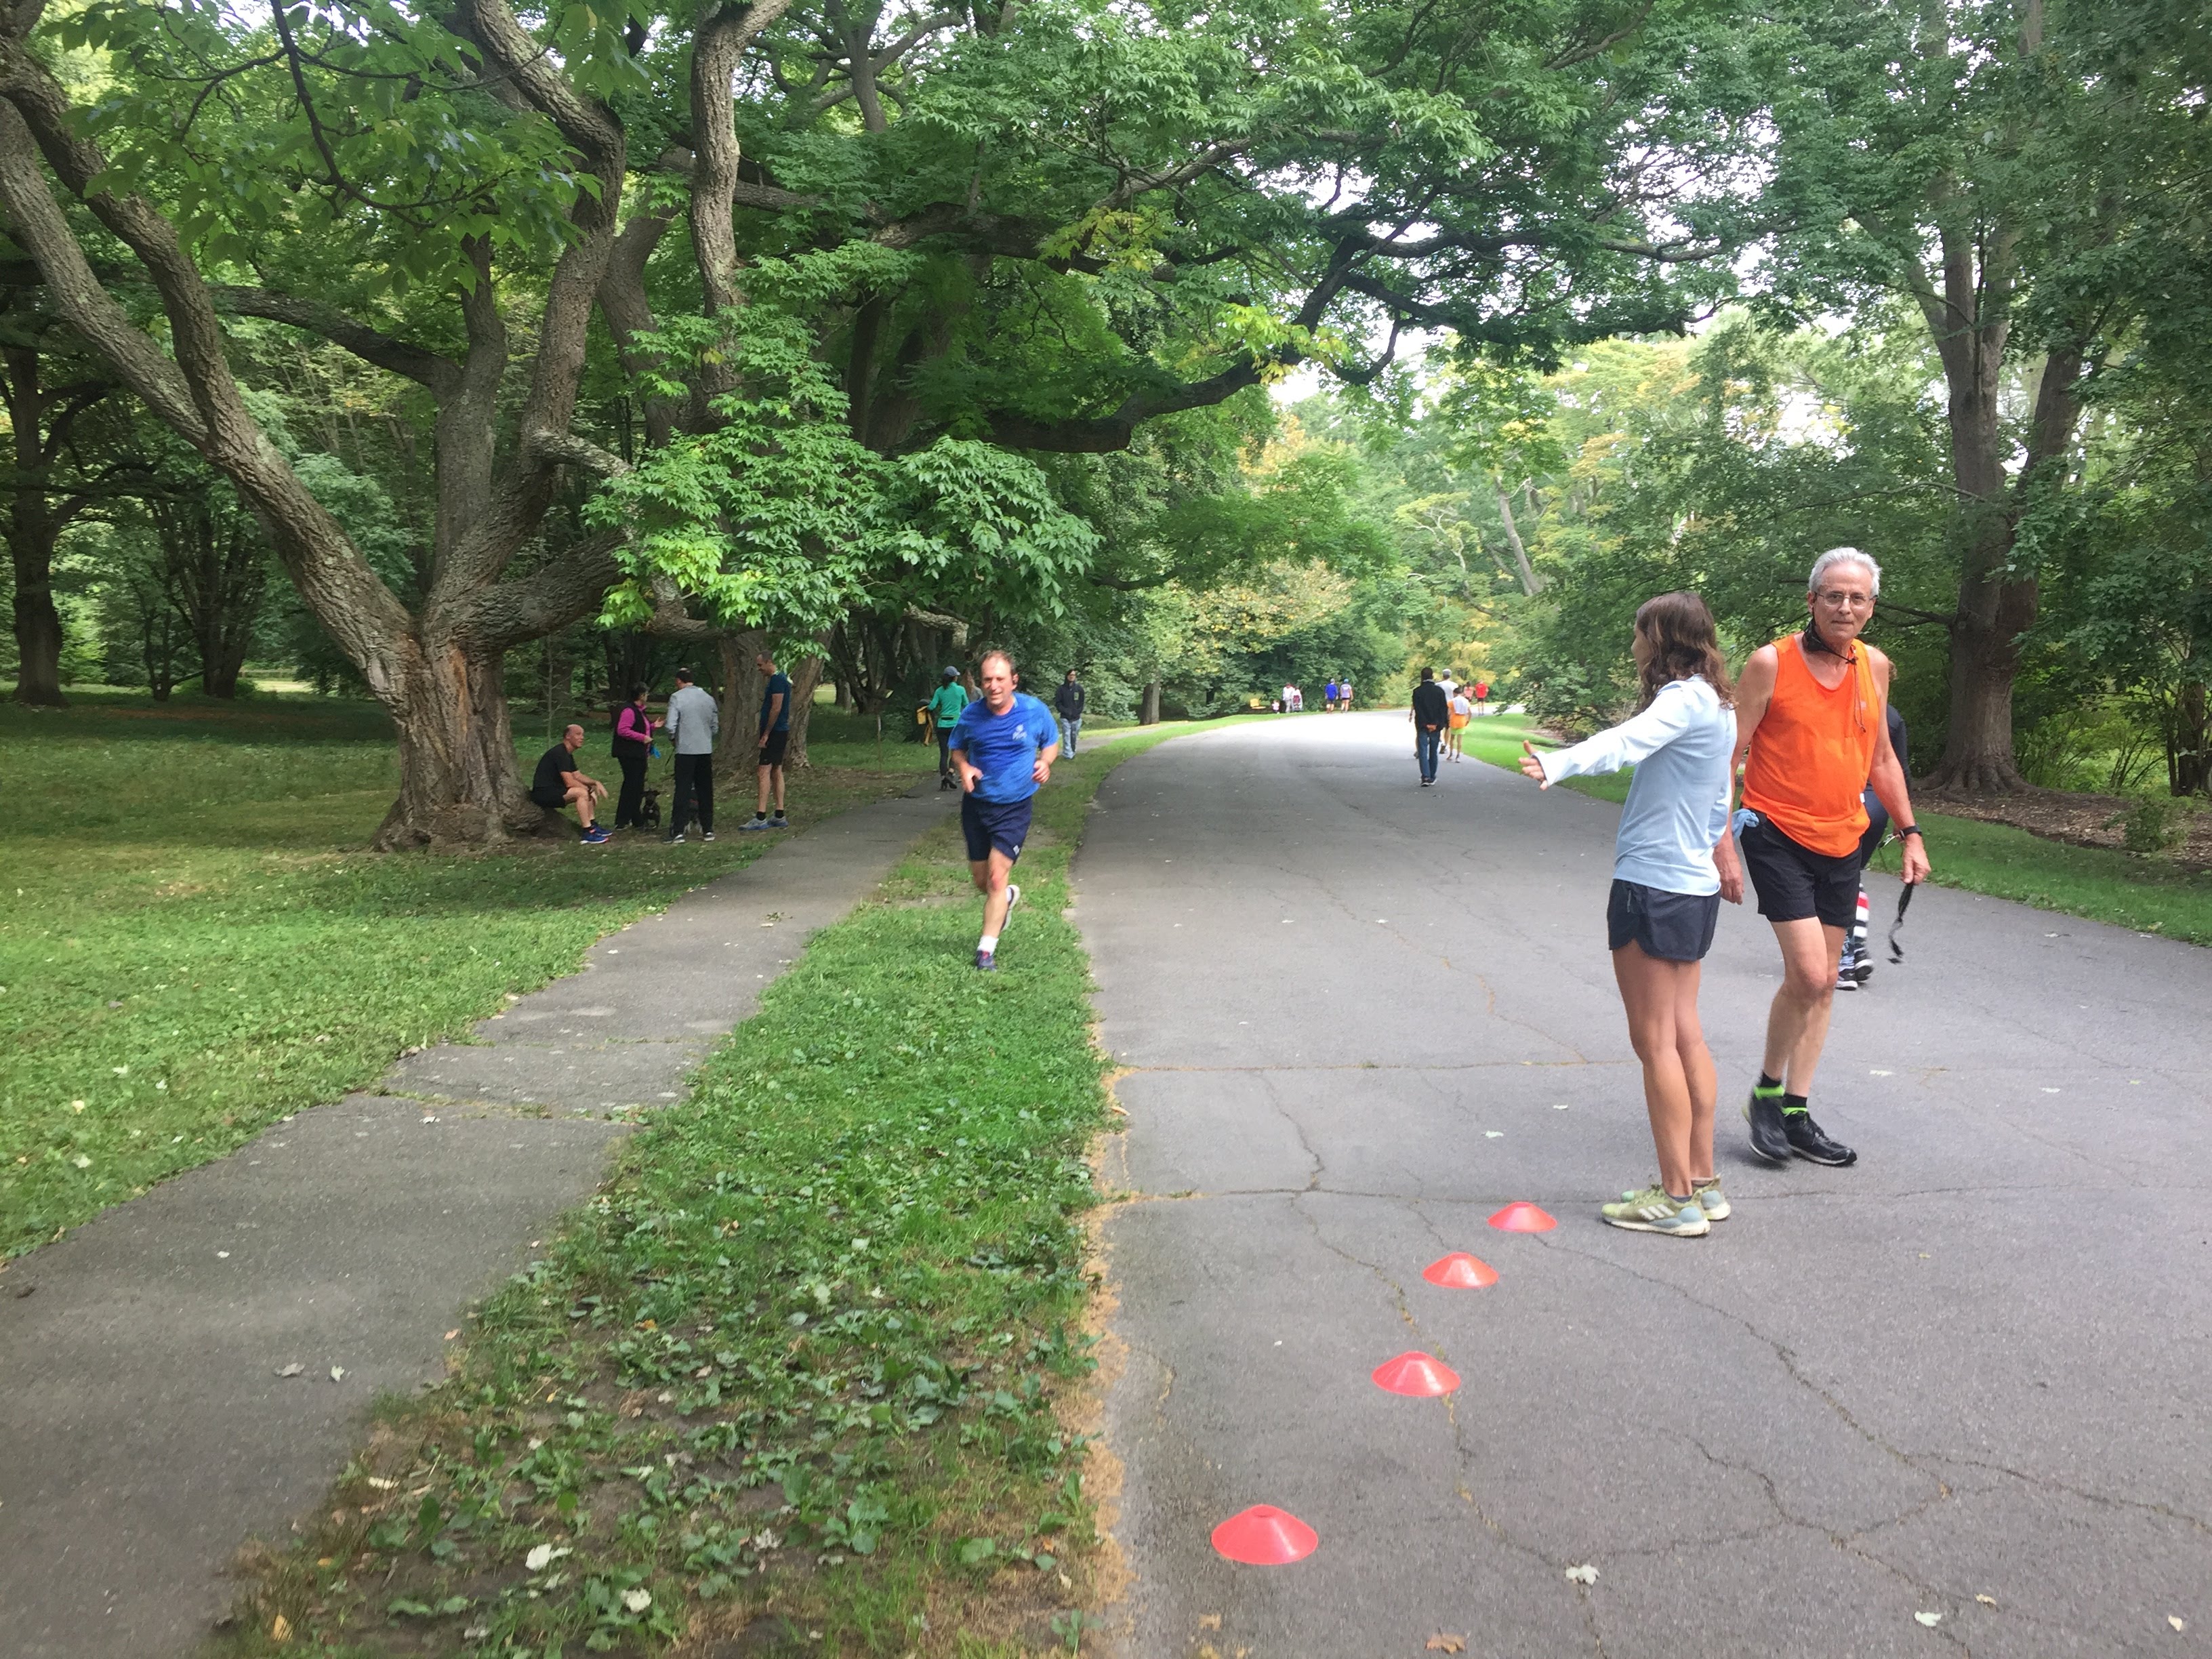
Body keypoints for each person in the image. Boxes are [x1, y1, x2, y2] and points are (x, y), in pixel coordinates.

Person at [1517, 592, 1740, 1237]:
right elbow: (1717, 796)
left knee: (1655, 1042)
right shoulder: (1717, 704)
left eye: (1640, 632)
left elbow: (1626, 741)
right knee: (1685, 1034)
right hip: (1691, 886)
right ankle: (1702, 1185)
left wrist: (1558, 762)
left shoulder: (1682, 700)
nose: (1635, 643)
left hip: (1654, 885)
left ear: (1661, 637)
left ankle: (1675, 1200)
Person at [1732, 548, 1930, 1166]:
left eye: (1858, 598)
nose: (1846, 607)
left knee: (1824, 988)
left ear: (1871, 607)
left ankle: (1796, 1111)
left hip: (1843, 838)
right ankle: (1766, 1095)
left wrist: (1911, 832)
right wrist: (1718, 843)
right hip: (1775, 831)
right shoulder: (1770, 663)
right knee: (1813, 975)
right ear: (1812, 600)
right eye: (1834, 596)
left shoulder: (1875, 666)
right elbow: (1729, 752)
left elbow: (1882, 759)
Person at [949, 650, 1060, 971]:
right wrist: (964, 767)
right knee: (982, 882)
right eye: (988, 680)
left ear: (1014, 680)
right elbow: (957, 748)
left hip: (1015, 807)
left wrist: (1045, 762)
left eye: (1000, 679)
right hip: (977, 805)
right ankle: (1007, 898)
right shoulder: (971, 715)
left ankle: (986, 951)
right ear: (981, 683)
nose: (994, 686)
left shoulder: (1033, 711)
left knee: (997, 878)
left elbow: (1050, 741)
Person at [1838, 703, 1911, 989]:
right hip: (1877, 805)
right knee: (1851, 875)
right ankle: (1853, 949)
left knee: (1834, 879)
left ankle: (1850, 952)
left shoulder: (1835, 701)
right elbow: (1900, 770)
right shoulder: (1890, 715)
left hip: (1845, 800)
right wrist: (1903, 821)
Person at [662, 666, 718, 843]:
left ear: (679, 681)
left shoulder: (677, 698)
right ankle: (708, 829)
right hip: (705, 749)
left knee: (683, 789)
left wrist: (673, 738)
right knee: (705, 790)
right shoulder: (708, 698)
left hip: (685, 750)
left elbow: (670, 725)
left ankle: (678, 830)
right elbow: (714, 726)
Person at [530, 723, 610, 844]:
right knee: (581, 793)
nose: (582, 738)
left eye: (583, 735)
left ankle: (592, 825)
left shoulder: (567, 754)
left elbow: (577, 776)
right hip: (544, 794)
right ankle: (587, 833)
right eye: (578, 734)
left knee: (586, 790)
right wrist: (588, 790)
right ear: (568, 736)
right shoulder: (559, 753)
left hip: (556, 790)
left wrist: (595, 783)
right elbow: (569, 782)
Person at [740, 652, 793, 831]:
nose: (759, 669)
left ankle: (760, 816)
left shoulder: (777, 680)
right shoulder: (780, 679)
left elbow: (776, 707)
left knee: (763, 771)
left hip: (775, 731)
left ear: (769, 662)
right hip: (779, 731)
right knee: (776, 769)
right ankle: (779, 814)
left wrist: (766, 734)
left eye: (760, 665)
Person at [611, 683, 660, 832]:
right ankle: (622, 819)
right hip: (629, 754)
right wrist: (642, 738)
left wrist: (653, 727)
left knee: (637, 787)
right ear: (640, 695)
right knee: (631, 786)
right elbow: (623, 730)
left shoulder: (640, 711)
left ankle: (635, 818)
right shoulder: (629, 711)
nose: (647, 696)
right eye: (646, 694)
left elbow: (641, 727)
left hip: (639, 753)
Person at [928, 667, 969, 790]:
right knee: (955, 751)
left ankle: (943, 779)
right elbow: (966, 705)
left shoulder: (939, 691)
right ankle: (950, 773)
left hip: (942, 725)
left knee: (944, 753)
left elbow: (932, 706)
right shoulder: (960, 690)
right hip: (955, 725)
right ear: (954, 678)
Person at [1410, 668, 1449, 787]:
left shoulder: (1417, 692)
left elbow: (1419, 710)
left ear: (1421, 677)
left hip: (1422, 725)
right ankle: (1432, 775)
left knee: (1422, 750)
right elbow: (1443, 710)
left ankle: (1425, 776)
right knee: (1433, 751)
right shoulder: (1439, 691)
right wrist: (1438, 724)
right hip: (1436, 726)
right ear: (1432, 676)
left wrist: (1425, 724)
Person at [1054, 668, 1086, 757]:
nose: (1072, 677)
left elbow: (1082, 703)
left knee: (1074, 736)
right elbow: (1058, 703)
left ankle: (1073, 751)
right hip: (1065, 717)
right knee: (1067, 735)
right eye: (1070, 675)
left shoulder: (1079, 689)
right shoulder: (1061, 689)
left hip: (1076, 717)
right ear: (1067, 676)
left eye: (1073, 675)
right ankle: (1068, 754)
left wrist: (1077, 712)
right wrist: (1065, 711)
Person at [1447, 683, 1473, 760]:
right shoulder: (1465, 701)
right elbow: (1470, 712)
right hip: (1462, 720)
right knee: (1460, 739)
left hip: (1454, 720)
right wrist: (1468, 720)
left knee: (1452, 738)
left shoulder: (1452, 701)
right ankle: (1458, 756)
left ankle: (1451, 754)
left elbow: (1449, 712)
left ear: (1455, 693)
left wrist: (1448, 719)